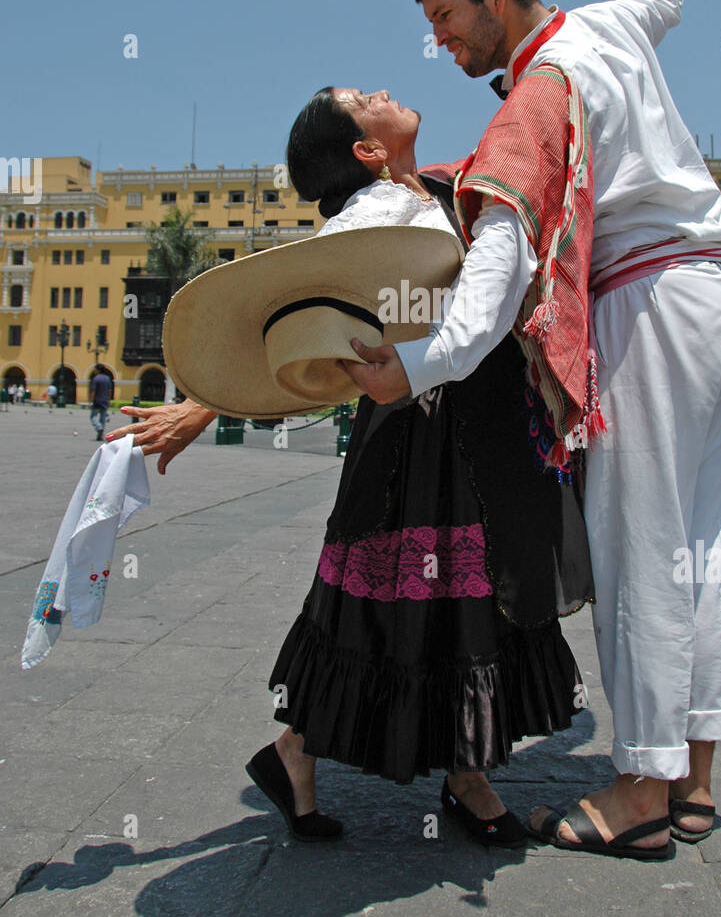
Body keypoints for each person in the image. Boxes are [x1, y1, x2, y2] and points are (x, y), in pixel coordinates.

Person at [349, 0, 721, 859]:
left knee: (642, 554)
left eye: (447, 21)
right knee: (701, 545)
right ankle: (695, 779)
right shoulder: (608, 25)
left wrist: (416, 366)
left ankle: (641, 793)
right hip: (719, 296)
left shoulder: (539, 92)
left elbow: (497, 273)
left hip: (648, 306)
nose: (442, 46)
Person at [108, 85, 594, 847]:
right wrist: (203, 403)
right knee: (393, 603)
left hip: (471, 426)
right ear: (366, 149)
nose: (385, 91)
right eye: (364, 98)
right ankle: (302, 752)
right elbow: (299, 324)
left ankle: (461, 771)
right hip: (413, 439)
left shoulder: (437, 186)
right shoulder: (368, 217)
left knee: (469, 597)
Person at [89, 364, 112, 441]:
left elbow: (93, 391)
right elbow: (109, 391)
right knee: (102, 418)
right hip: (105, 401)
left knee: (92, 417)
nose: (94, 371)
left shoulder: (96, 379)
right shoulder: (107, 378)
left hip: (97, 401)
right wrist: (108, 400)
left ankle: (99, 428)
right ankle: (100, 434)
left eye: (95, 369)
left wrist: (91, 401)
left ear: (98, 370)